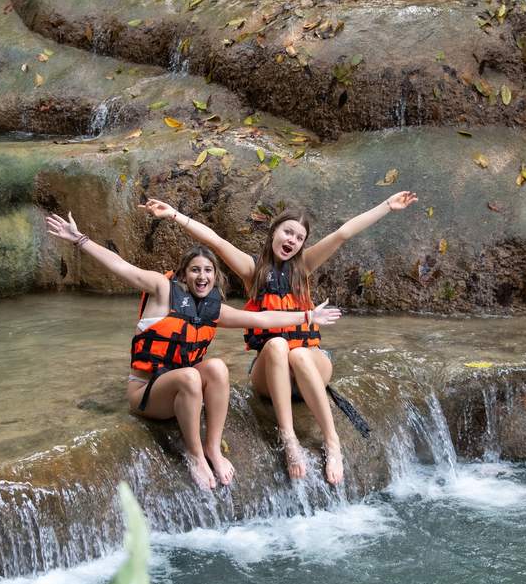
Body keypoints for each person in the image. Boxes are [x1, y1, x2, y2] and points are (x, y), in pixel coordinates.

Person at [44, 212, 342, 490]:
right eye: (195, 270)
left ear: (215, 278)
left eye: (208, 271)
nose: (202, 276)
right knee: (189, 376)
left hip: (184, 388)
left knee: (217, 368)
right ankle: (196, 455)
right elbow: (122, 267)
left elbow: (262, 319)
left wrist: (308, 317)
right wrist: (80, 240)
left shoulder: (212, 309)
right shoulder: (162, 289)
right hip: (147, 392)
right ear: (184, 275)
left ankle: (213, 447)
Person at [139, 191, 418, 484]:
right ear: (273, 232)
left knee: (297, 353)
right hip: (271, 372)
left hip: (310, 363)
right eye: (287, 232)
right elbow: (216, 243)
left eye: (299, 238)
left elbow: (343, 233)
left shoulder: (305, 266)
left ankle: (332, 441)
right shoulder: (252, 271)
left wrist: (387, 205)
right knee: (276, 344)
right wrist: (174, 215)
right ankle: (290, 440)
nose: (292, 240)